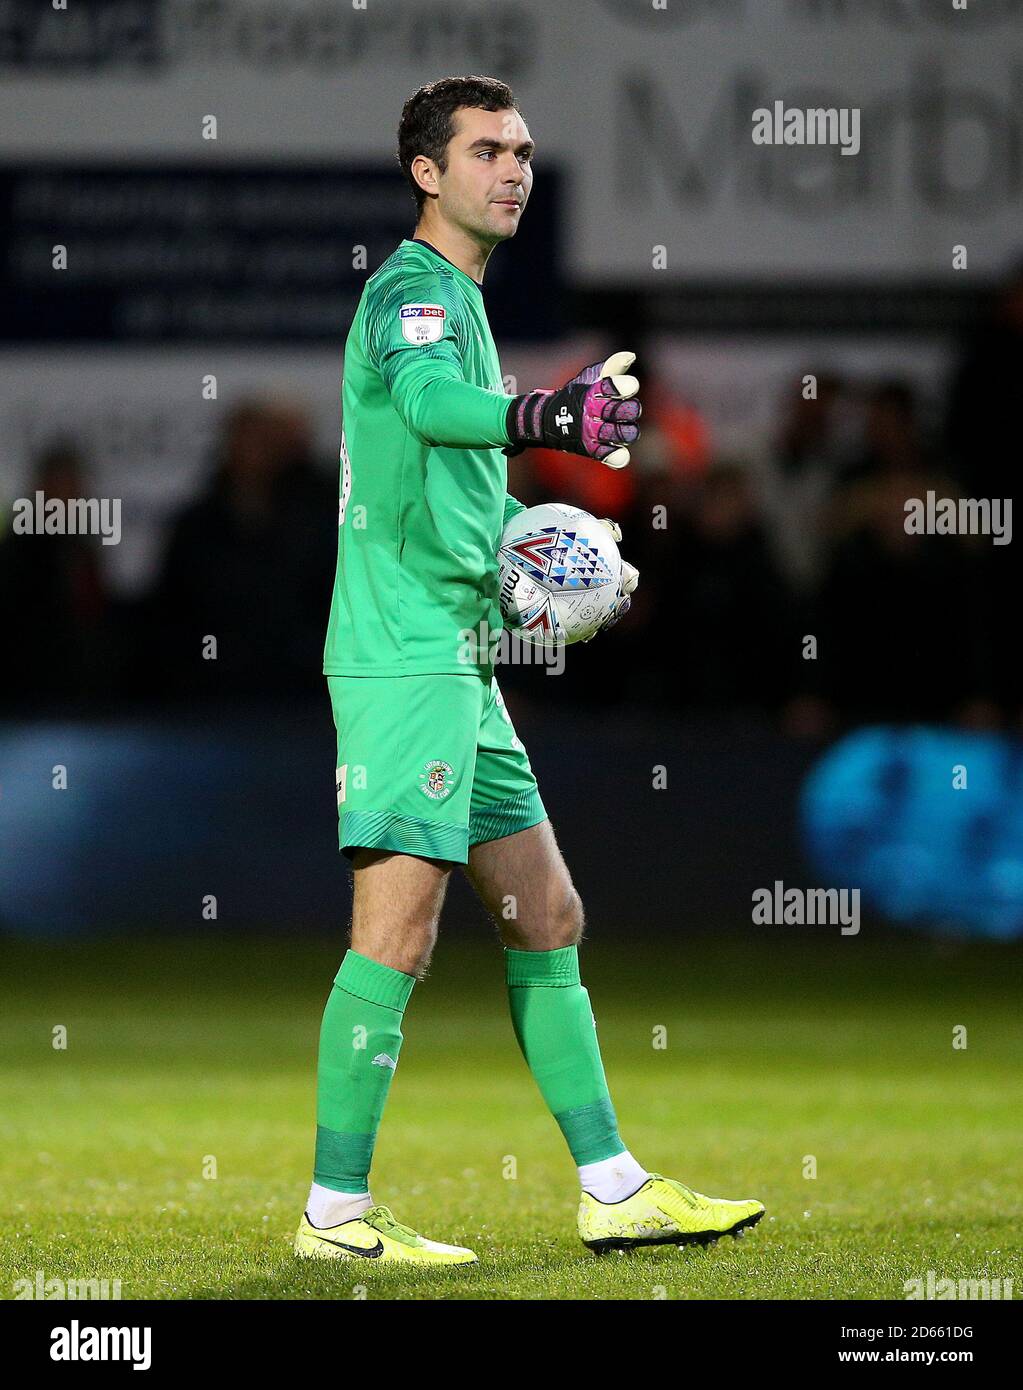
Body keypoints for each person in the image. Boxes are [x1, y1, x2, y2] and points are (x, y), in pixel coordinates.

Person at [295, 75, 764, 1266]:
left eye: (525, 151)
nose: (514, 169)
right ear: (427, 172)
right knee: (395, 936)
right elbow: (434, 402)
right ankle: (335, 1217)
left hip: (461, 655)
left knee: (547, 913)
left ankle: (613, 1189)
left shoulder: (463, 294)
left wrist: (524, 552)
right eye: (488, 150)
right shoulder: (410, 289)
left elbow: (450, 464)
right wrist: (544, 418)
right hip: (408, 661)